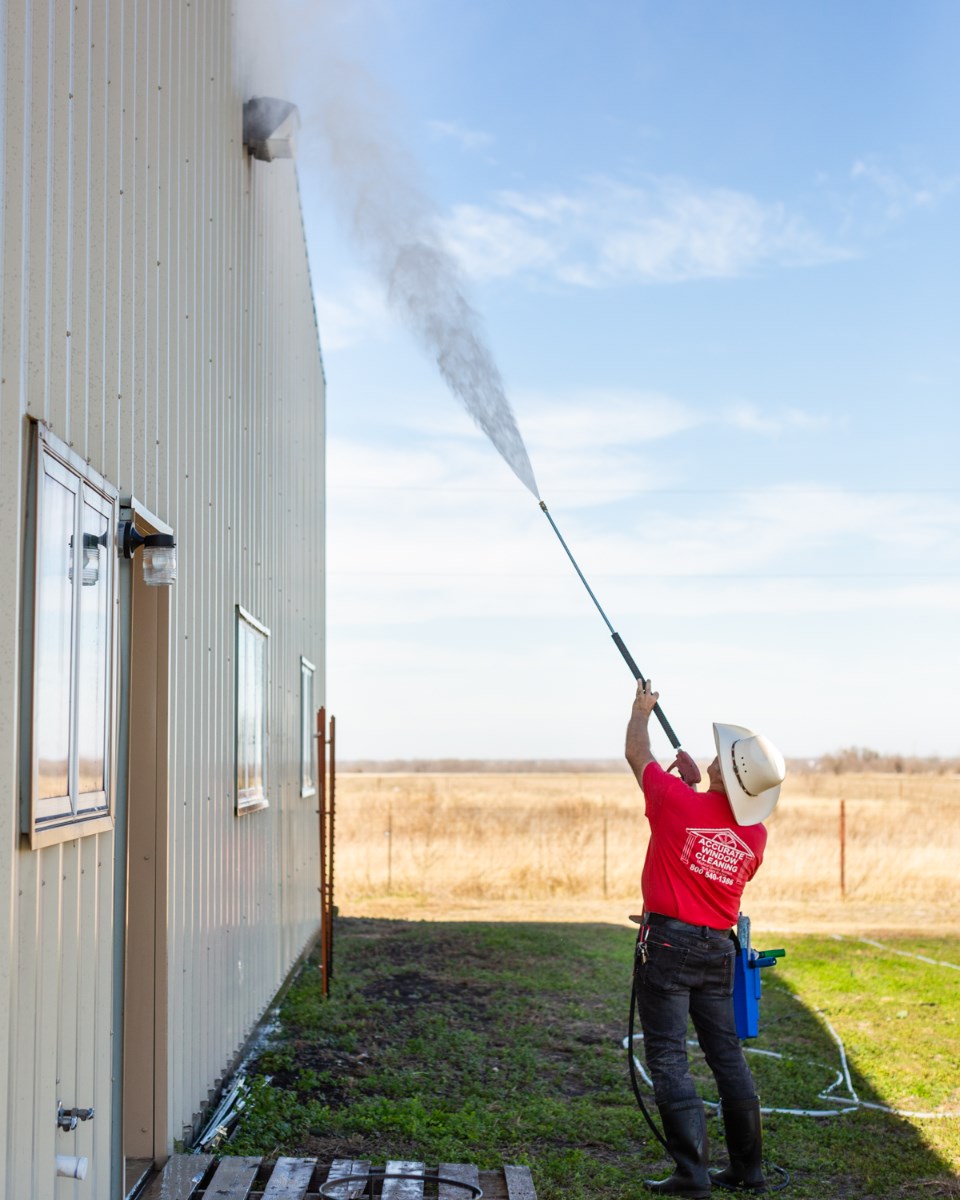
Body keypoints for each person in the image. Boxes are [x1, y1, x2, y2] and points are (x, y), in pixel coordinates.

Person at [625, 678, 786, 1198]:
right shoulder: (756, 836)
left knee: (669, 1055)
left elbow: (636, 752)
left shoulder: (675, 803)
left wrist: (641, 709)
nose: (715, 759)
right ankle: (748, 1170)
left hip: (668, 947)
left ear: (727, 773)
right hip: (717, 949)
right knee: (725, 1056)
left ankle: (692, 1175)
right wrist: (696, 789)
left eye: (722, 759)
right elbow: (714, 840)